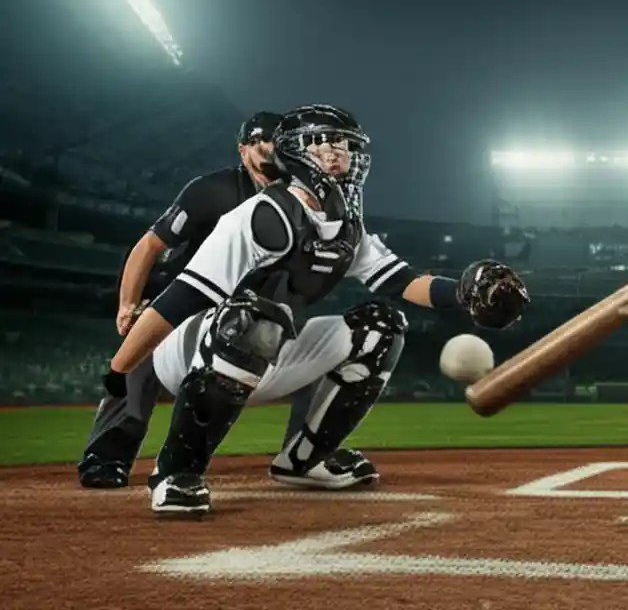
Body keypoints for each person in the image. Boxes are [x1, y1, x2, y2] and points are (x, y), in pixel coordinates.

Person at [100, 103, 530, 515]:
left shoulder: (346, 224)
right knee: (253, 319)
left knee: (382, 326)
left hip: (265, 345)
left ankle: (304, 459)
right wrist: (120, 372)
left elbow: (402, 281)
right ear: (296, 152)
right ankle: (176, 473)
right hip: (193, 349)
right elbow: (179, 299)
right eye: (326, 143)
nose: (340, 153)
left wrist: (465, 294)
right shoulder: (261, 216)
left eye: (345, 144)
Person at [77, 111, 283, 488]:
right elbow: (149, 245)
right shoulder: (213, 190)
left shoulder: (297, 200)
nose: (269, 149)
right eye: (259, 142)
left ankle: (308, 452)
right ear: (243, 150)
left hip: (241, 313)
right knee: (140, 352)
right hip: (184, 299)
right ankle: (106, 456)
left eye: (277, 142)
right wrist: (128, 303)